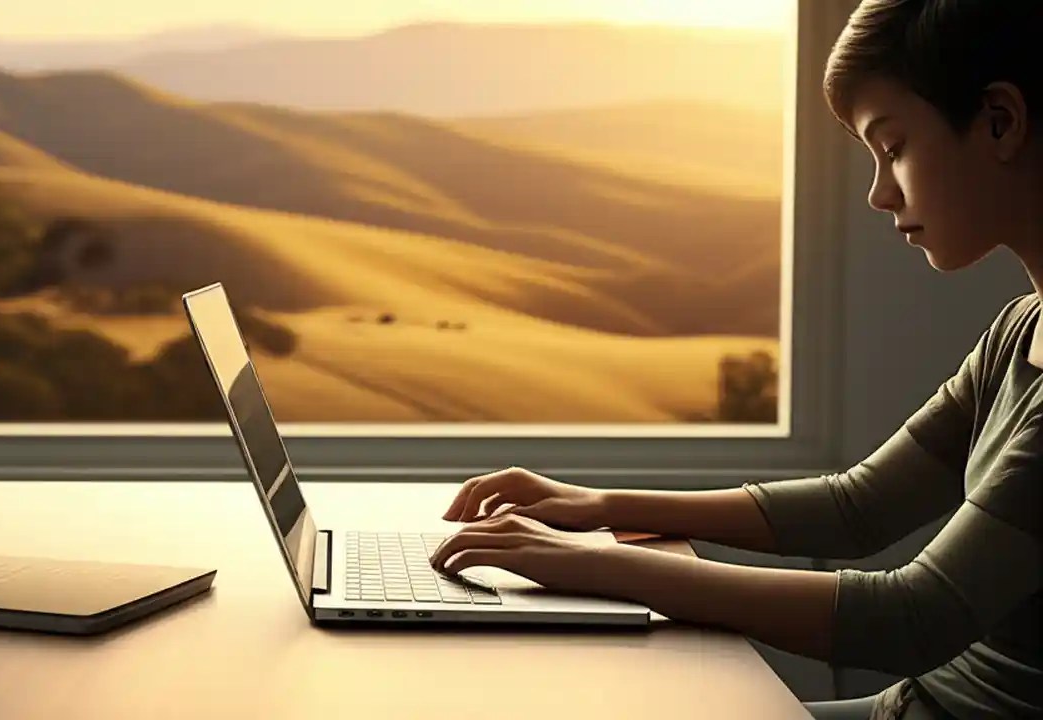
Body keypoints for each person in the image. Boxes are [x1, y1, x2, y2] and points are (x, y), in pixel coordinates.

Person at [427, 1, 1042, 719]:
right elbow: (857, 508)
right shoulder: (1018, 331)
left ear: (1000, 121)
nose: (879, 192)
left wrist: (596, 564)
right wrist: (597, 506)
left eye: (894, 147)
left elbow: (912, 616)